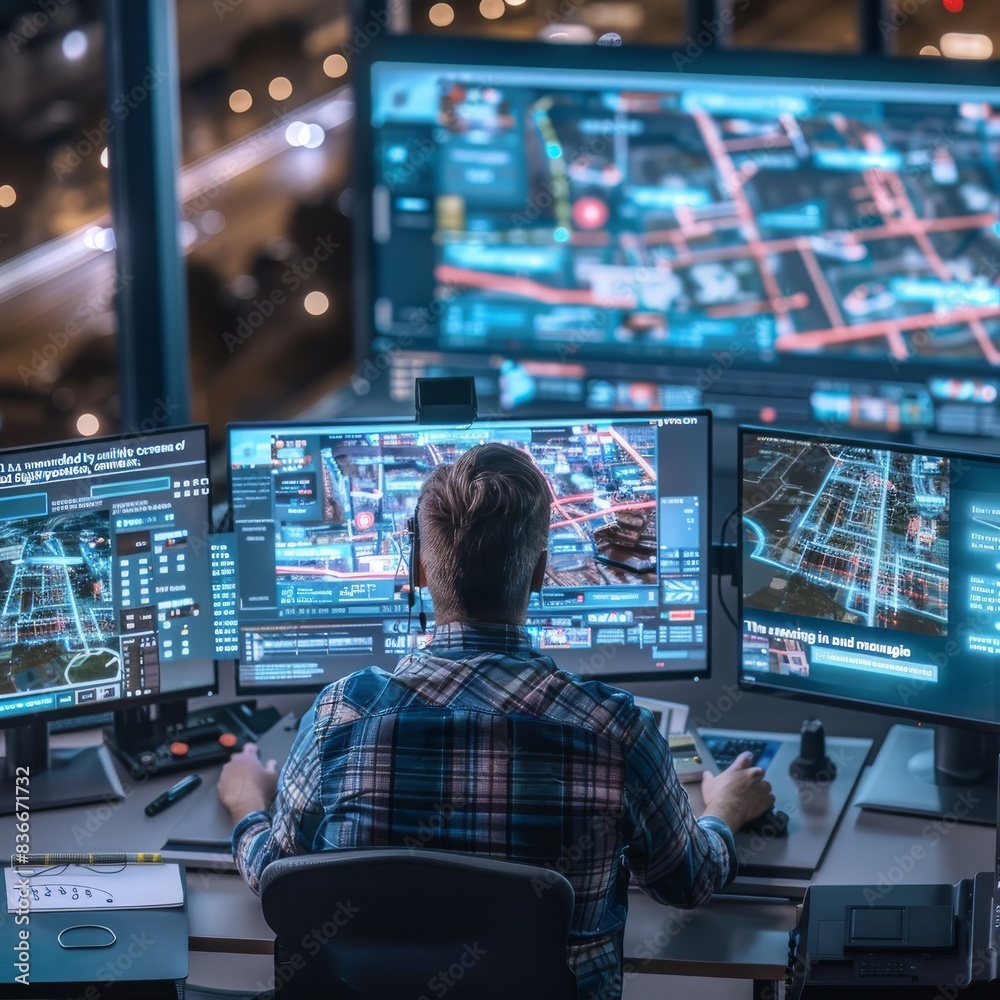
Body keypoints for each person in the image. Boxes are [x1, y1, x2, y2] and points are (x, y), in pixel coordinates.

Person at [218, 442, 773, 1000]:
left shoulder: (339, 716)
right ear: (539, 573)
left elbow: (277, 877)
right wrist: (726, 807)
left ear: (418, 567)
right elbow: (687, 882)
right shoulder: (616, 730)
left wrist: (246, 804)